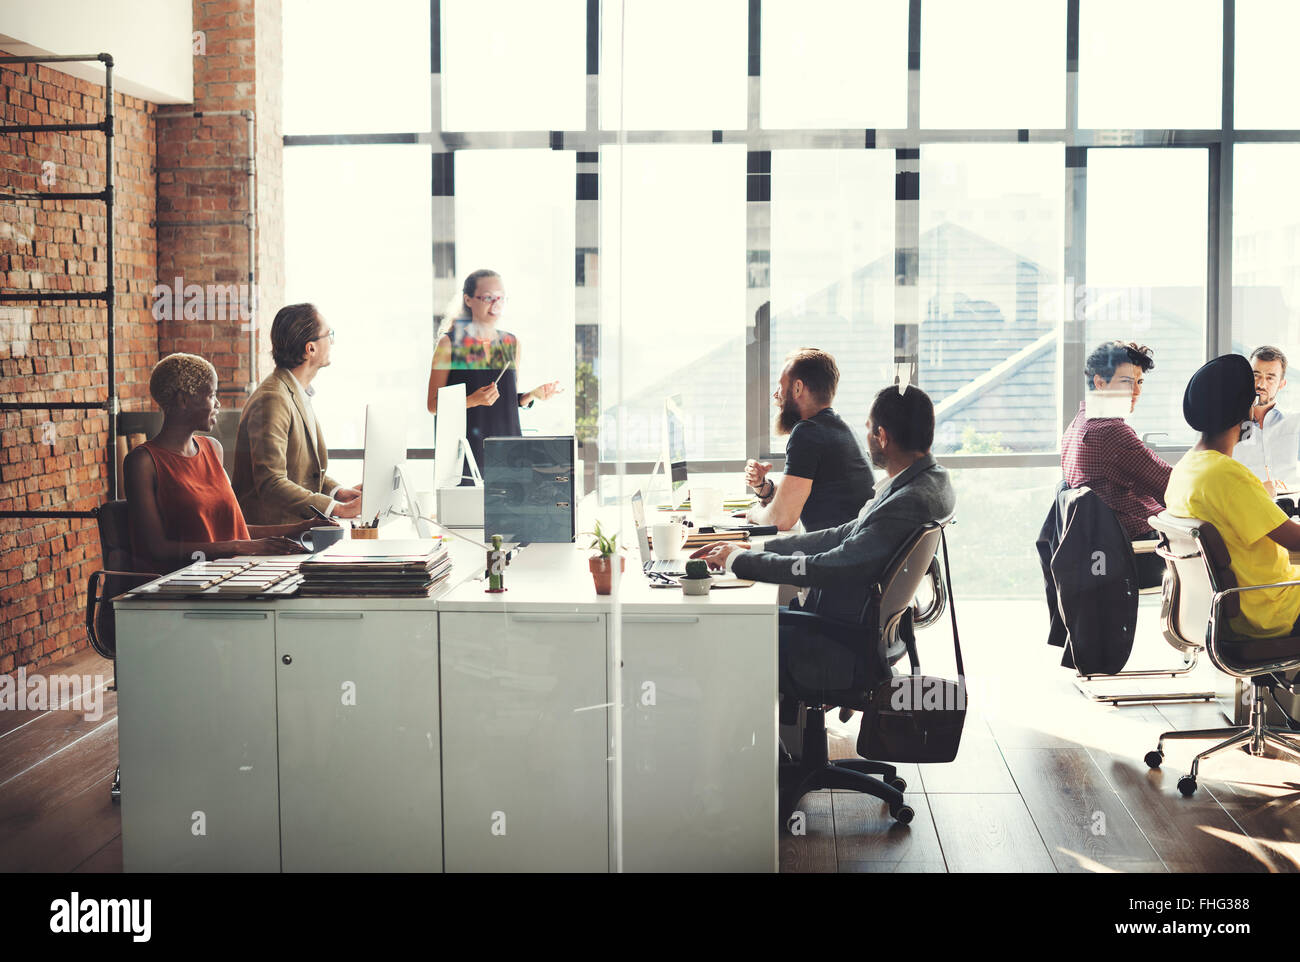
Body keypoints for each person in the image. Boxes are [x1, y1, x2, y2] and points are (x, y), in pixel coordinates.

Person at [701, 385, 955, 696]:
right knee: (744, 617)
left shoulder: (907, 501)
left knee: (722, 629)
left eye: (869, 430)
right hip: (855, 629)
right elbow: (844, 533)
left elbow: (833, 565)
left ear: (883, 437)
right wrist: (752, 549)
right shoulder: (929, 481)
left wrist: (738, 562)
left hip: (840, 644)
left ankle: (761, 744)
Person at [126, 354, 328, 572]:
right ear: (183, 400)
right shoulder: (143, 462)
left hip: (230, 574)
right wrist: (241, 547)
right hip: (183, 585)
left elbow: (234, 529)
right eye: (211, 395)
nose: (218, 403)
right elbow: (157, 550)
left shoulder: (212, 449)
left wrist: (301, 528)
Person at [1165, 353, 1300, 638]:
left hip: (1227, 609)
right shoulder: (1227, 476)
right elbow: (1295, 541)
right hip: (1272, 608)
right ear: (1247, 410)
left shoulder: (1185, 468)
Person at [426, 269, 561, 482]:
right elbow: (433, 405)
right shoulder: (450, 344)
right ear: (468, 300)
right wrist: (472, 401)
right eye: (488, 298)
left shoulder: (511, 343)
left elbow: (505, 399)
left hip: (510, 455)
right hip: (467, 457)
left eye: (500, 298)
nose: (495, 304)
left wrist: (530, 396)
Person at [233, 303, 361, 523]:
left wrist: (337, 493)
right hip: (274, 536)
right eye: (328, 335)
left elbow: (300, 471)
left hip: (295, 530)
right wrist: (337, 510)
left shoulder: (294, 392)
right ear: (310, 348)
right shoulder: (272, 398)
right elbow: (271, 482)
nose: (332, 341)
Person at [1061, 339, 1171, 588]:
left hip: (1107, 550)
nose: (1137, 392)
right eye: (1126, 382)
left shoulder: (1079, 424)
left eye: (1140, 382)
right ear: (1100, 382)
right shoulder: (1109, 431)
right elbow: (1171, 486)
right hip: (1137, 555)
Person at [743, 348, 875, 532]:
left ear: (797, 388)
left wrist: (754, 514)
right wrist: (765, 488)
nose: (775, 395)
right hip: (852, 547)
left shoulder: (807, 432)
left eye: (780, 386)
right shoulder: (841, 428)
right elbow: (803, 491)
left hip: (836, 554)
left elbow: (781, 519)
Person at [1234, 345, 1300, 496]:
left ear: (1282, 384)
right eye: (1256, 375)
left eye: (1270, 377)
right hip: (1248, 504)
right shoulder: (1230, 426)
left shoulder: (1296, 423)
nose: (1260, 385)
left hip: (1291, 504)